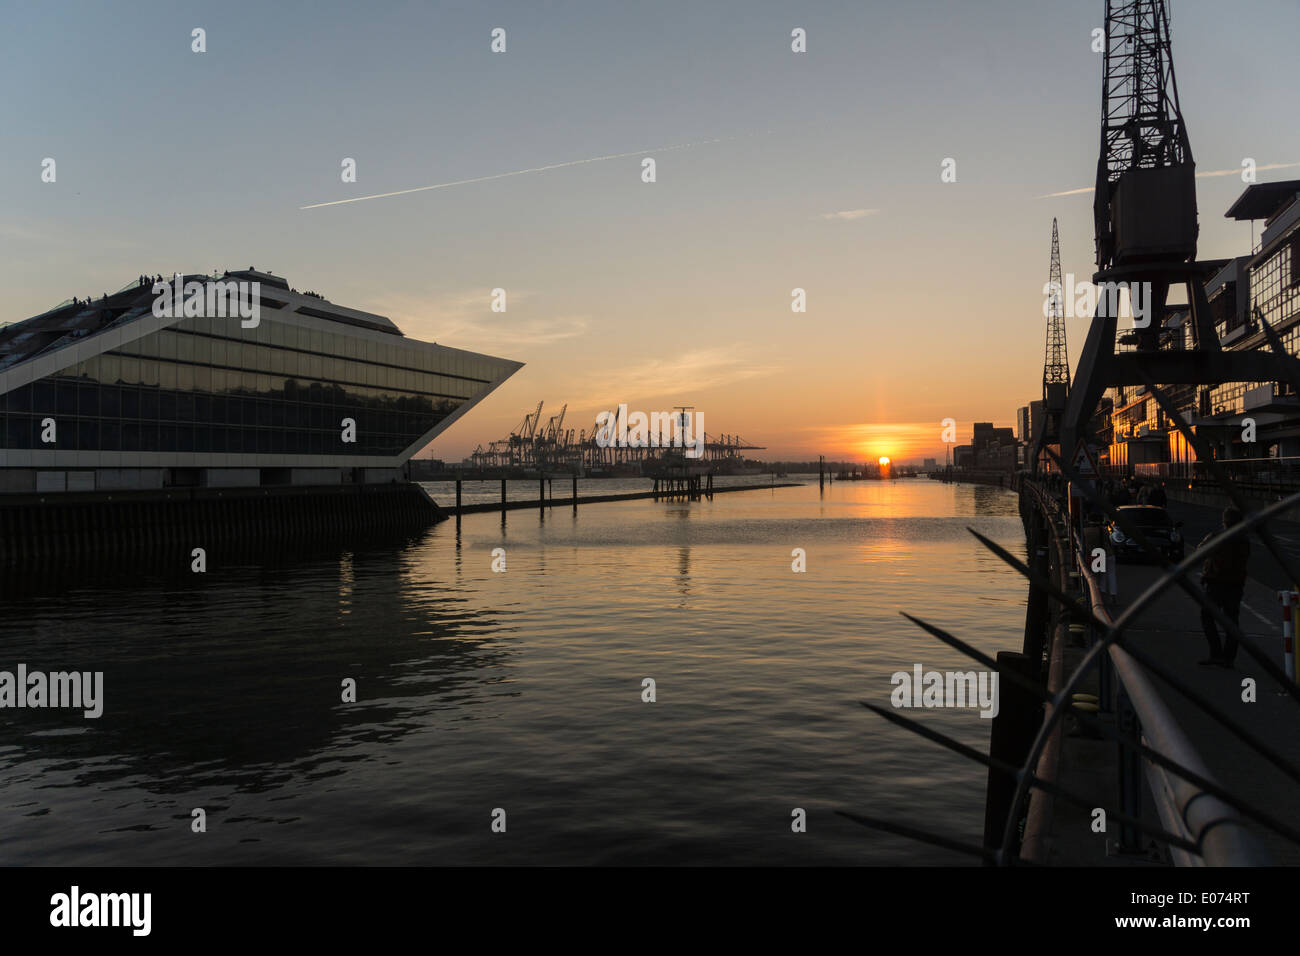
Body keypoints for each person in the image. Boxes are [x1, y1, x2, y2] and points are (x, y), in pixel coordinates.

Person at [1198, 506, 1250, 667]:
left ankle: (1216, 653)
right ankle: (1229, 657)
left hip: (1216, 582)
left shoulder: (1217, 537)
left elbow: (1201, 550)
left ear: (1225, 521)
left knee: (1207, 617)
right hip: (1235, 584)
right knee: (1232, 621)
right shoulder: (1243, 540)